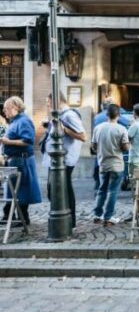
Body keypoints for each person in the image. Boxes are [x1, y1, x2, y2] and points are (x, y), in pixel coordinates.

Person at [41, 92, 86, 228]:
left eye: (49, 103)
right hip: (57, 160)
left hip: (64, 159)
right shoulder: (61, 115)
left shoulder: (69, 115)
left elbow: (82, 136)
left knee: (61, 189)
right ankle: (68, 219)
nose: (48, 106)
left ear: (56, 101)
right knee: (58, 189)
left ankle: (68, 220)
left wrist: (64, 129)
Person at [1, 97, 42, 227]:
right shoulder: (14, 121)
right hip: (14, 159)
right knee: (12, 189)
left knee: (21, 189)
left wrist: (8, 142)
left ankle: (20, 217)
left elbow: (28, 141)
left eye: (7, 108)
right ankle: (12, 216)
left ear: (16, 107)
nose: (4, 111)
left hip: (22, 160)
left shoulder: (24, 121)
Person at [91, 104, 130, 226]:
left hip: (102, 163)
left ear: (107, 114)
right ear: (118, 115)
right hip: (116, 164)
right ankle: (108, 217)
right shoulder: (121, 129)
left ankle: (97, 215)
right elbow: (125, 148)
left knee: (101, 189)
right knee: (113, 191)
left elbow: (93, 146)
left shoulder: (98, 128)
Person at [92, 97, 130, 190]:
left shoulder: (97, 117)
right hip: (113, 147)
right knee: (114, 180)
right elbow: (127, 122)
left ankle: (98, 187)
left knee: (99, 166)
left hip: (101, 147)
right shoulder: (115, 117)